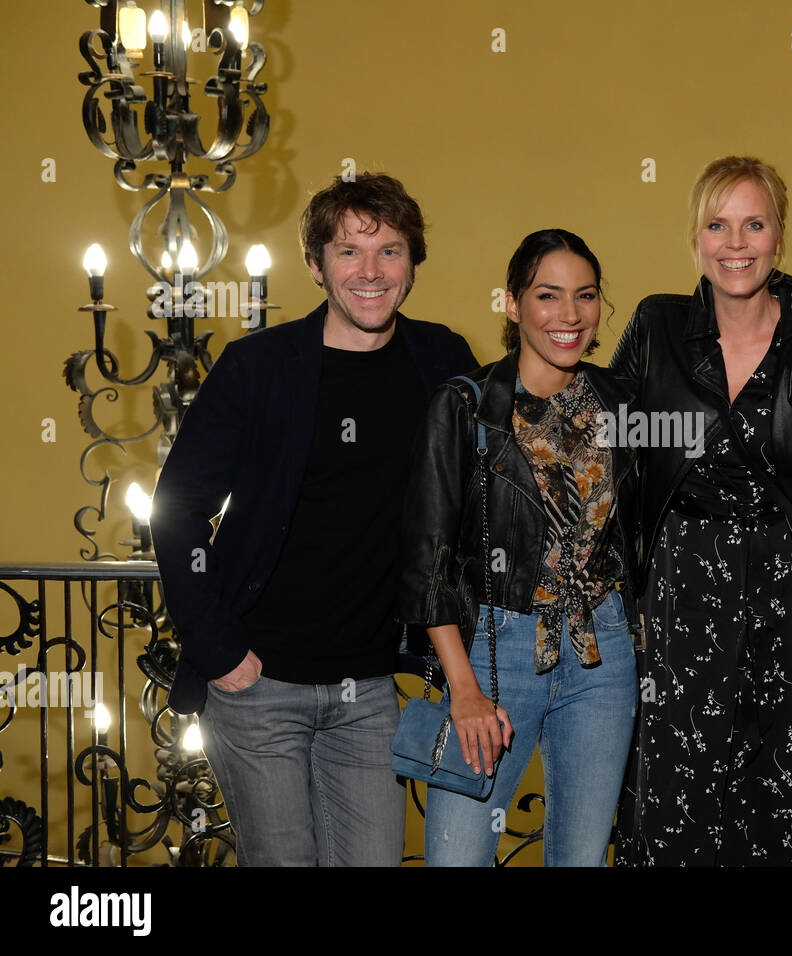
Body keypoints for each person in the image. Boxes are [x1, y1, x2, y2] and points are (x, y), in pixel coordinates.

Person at [151, 172, 477, 866]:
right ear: (315, 266)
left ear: (413, 264)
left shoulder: (440, 359)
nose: (370, 271)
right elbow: (177, 507)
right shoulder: (258, 367)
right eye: (348, 251)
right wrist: (220, 652)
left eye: (389, 251)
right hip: (257, 684)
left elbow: (485, 485)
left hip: (369, 689)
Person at [610, 156, 792, 866]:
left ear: (780, 237)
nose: (737, 242)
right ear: (695, 239)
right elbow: (603, 445)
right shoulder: (657, 326)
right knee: (682, 796)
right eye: (718, 225)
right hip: (685, 593)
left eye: (754, 223)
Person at [399, 229, 639, 867]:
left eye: (585, 297)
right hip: (492, 654)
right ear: (512, 305)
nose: (570, 315)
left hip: (602, 653)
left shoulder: (621, 403)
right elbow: (427, 563)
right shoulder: (465, 406)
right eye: (548, 296)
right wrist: (463, 688)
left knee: (581, 859)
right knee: (456, 857)